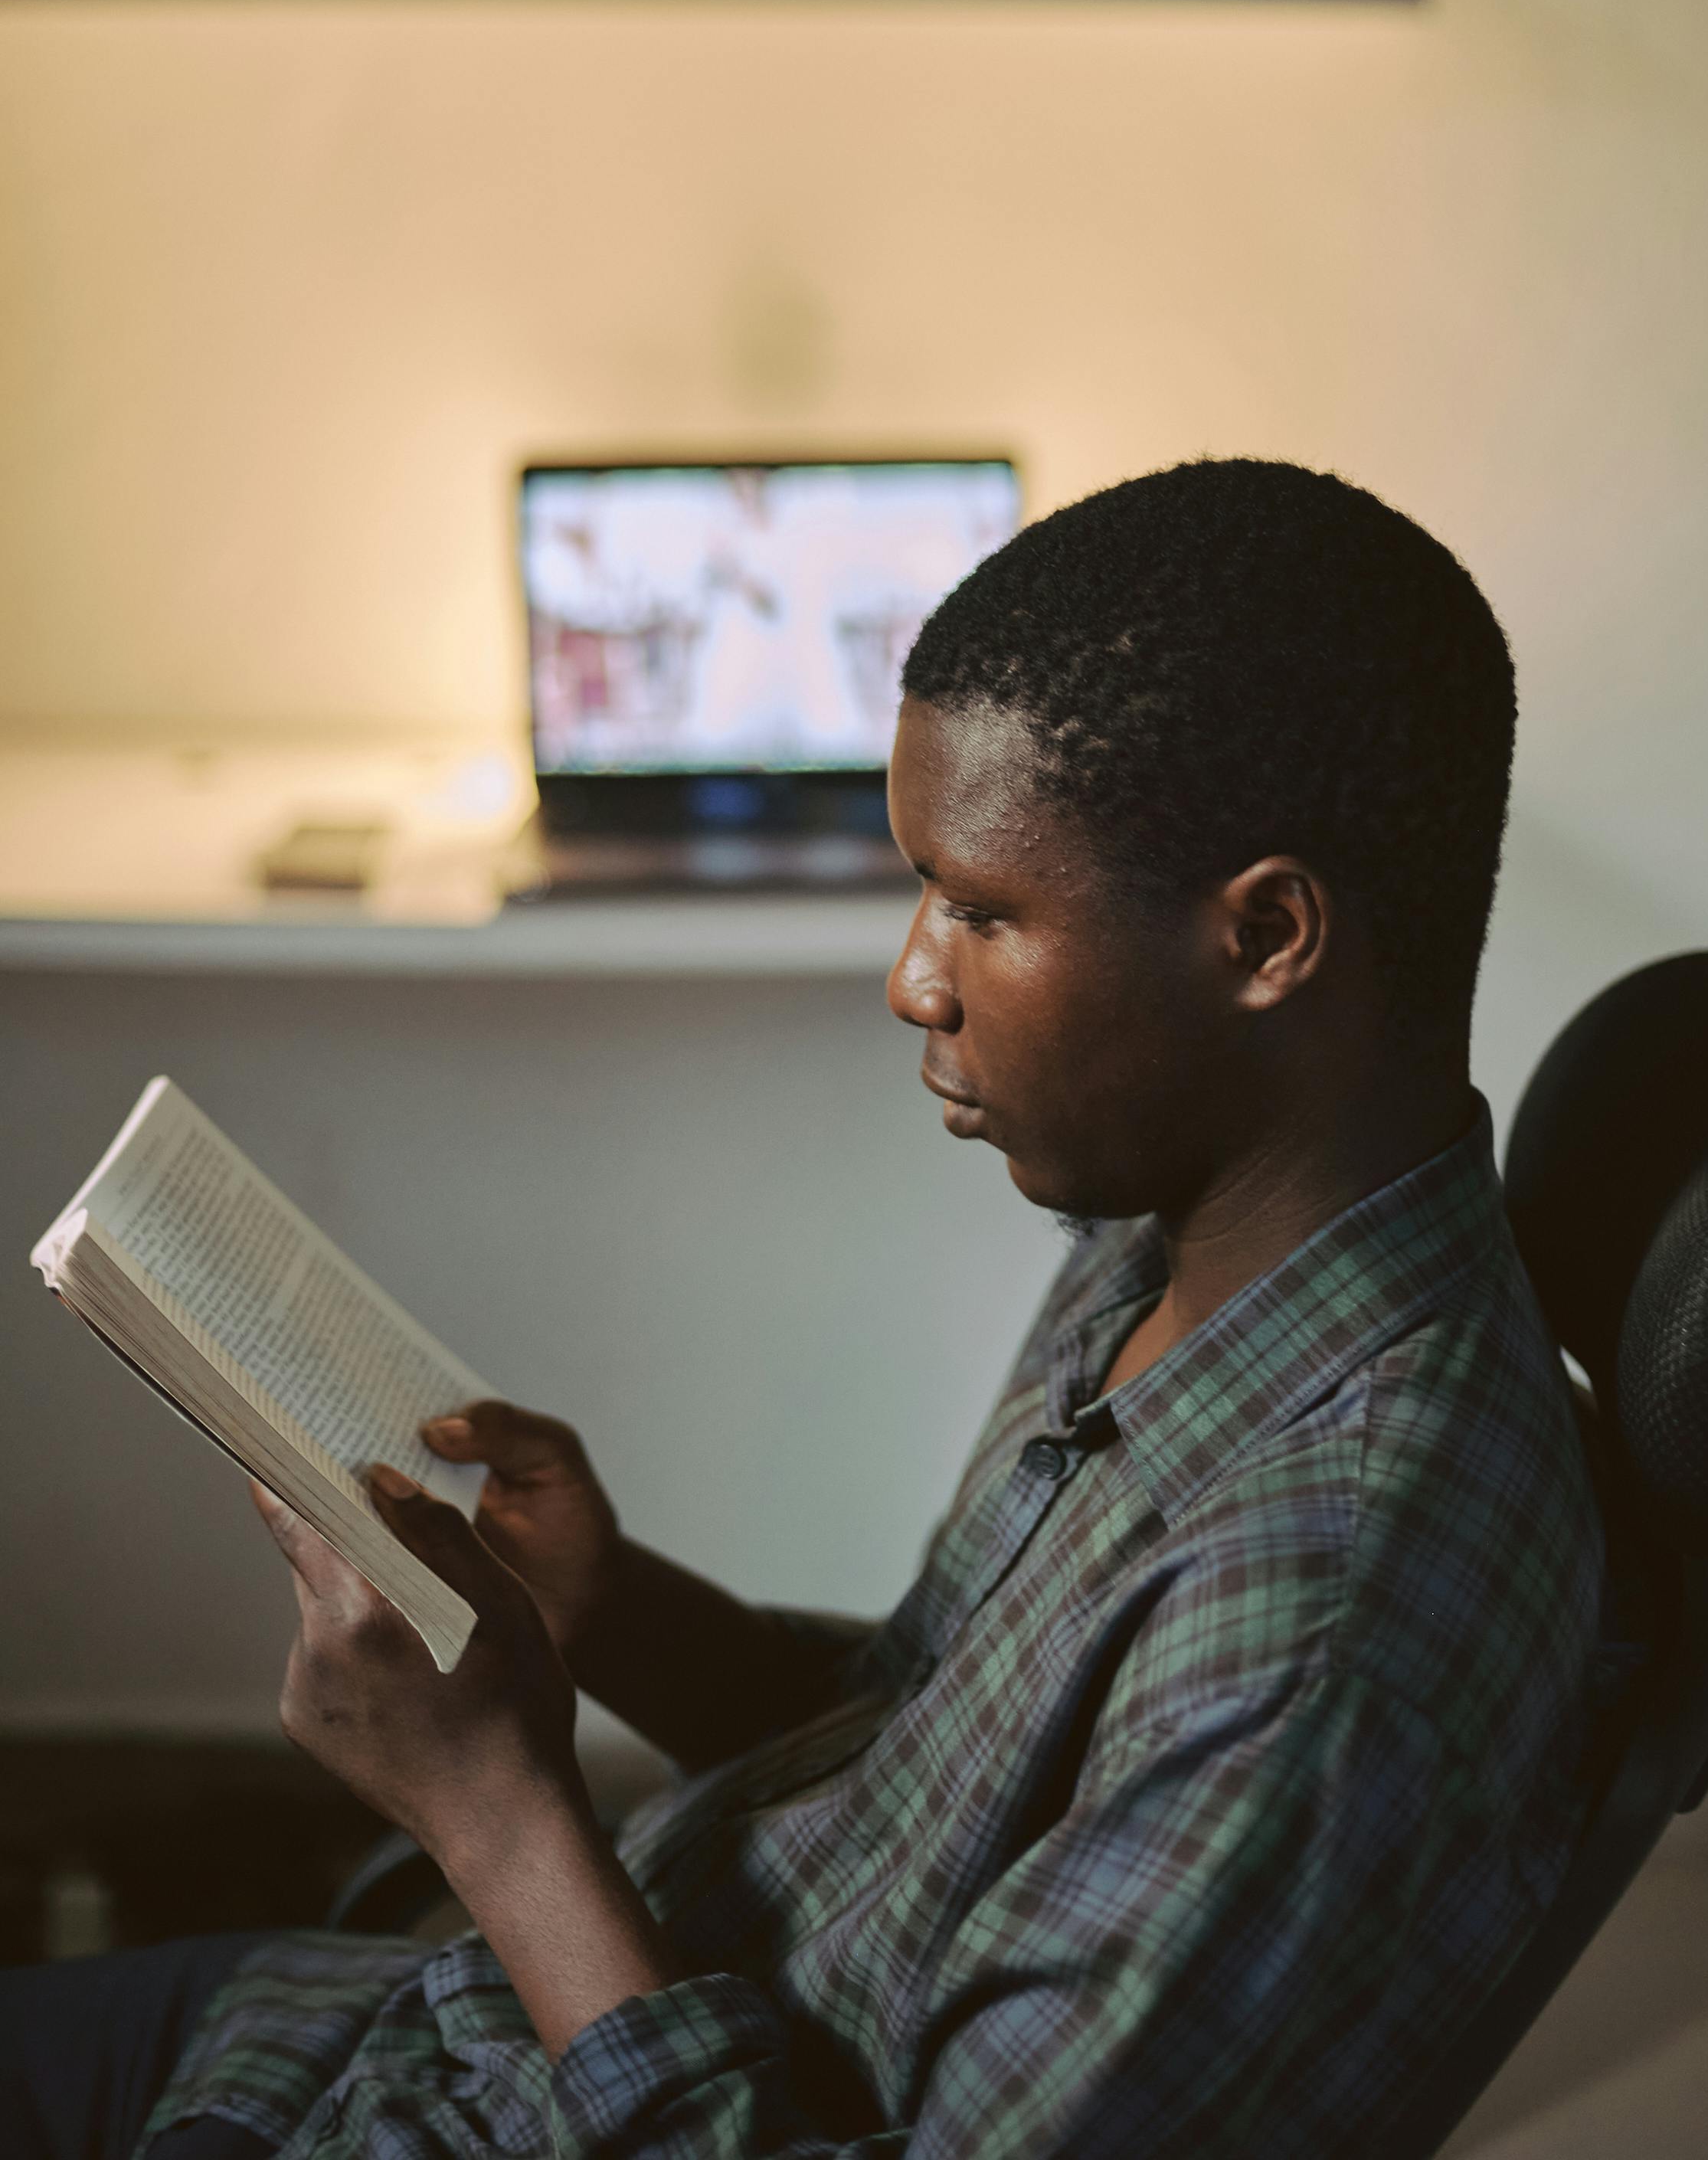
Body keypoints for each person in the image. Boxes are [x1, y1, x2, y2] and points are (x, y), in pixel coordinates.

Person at [3, 460, 1608, 2160]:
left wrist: (497, 1815)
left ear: (1269, 935)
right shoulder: (1185, 1255)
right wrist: (613, 1614)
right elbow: (943, 1759)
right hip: (434, 2033)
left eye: (984, 910)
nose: (912, 978)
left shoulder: (1321, 1631)